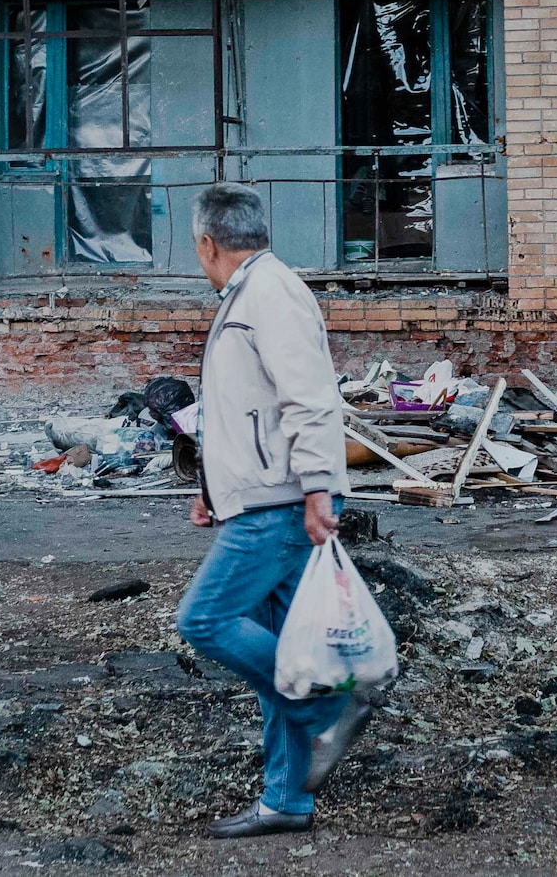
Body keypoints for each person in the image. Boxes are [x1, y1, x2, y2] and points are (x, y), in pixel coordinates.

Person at [174, 183, 372, 838]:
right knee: (281, 646)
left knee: (205, 617)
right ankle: (287, 798)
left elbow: (309, 396)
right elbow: (244, 406)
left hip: (283, 502)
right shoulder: (251, 293)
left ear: (207, 242)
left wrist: (318, 484)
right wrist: (212, 484)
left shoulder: (271, 292)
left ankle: (327, 708)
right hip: (262, 495)